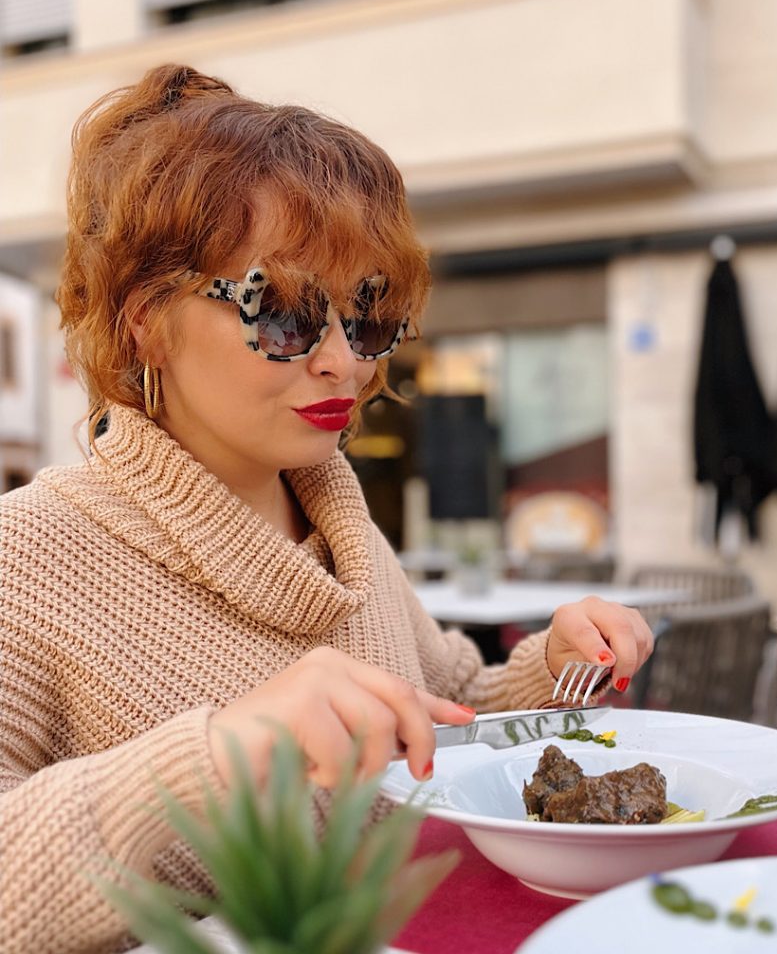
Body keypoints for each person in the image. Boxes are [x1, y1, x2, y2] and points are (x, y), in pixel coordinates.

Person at [0, 65, 653, 954]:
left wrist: (554, 664)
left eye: (368, 315)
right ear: (145, 321)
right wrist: (223, 753)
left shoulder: (336, 523)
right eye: (285, 316)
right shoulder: (32, 555)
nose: (344, 361)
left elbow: (449, 704)